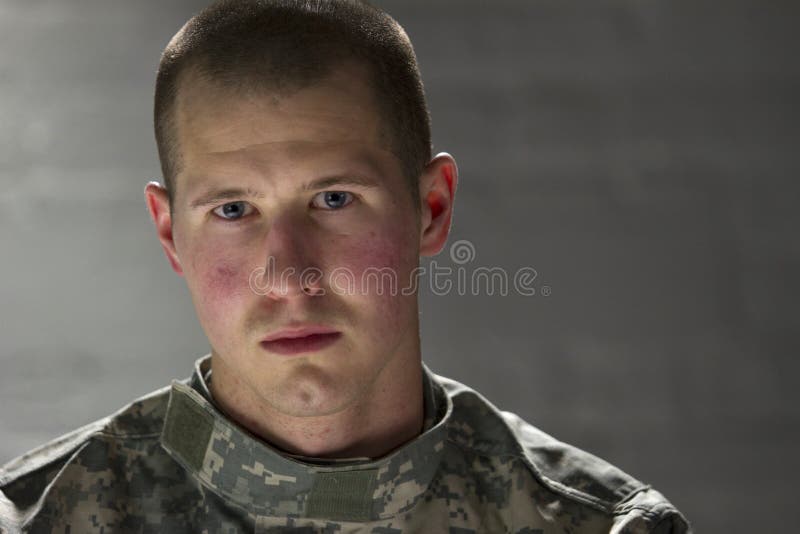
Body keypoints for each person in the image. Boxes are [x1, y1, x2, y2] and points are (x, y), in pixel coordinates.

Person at [0, 1, 691, 532]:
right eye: (234, 210)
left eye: (334, 199)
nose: (290, 276)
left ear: (431, 207)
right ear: (169, 233)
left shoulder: (598, 527)